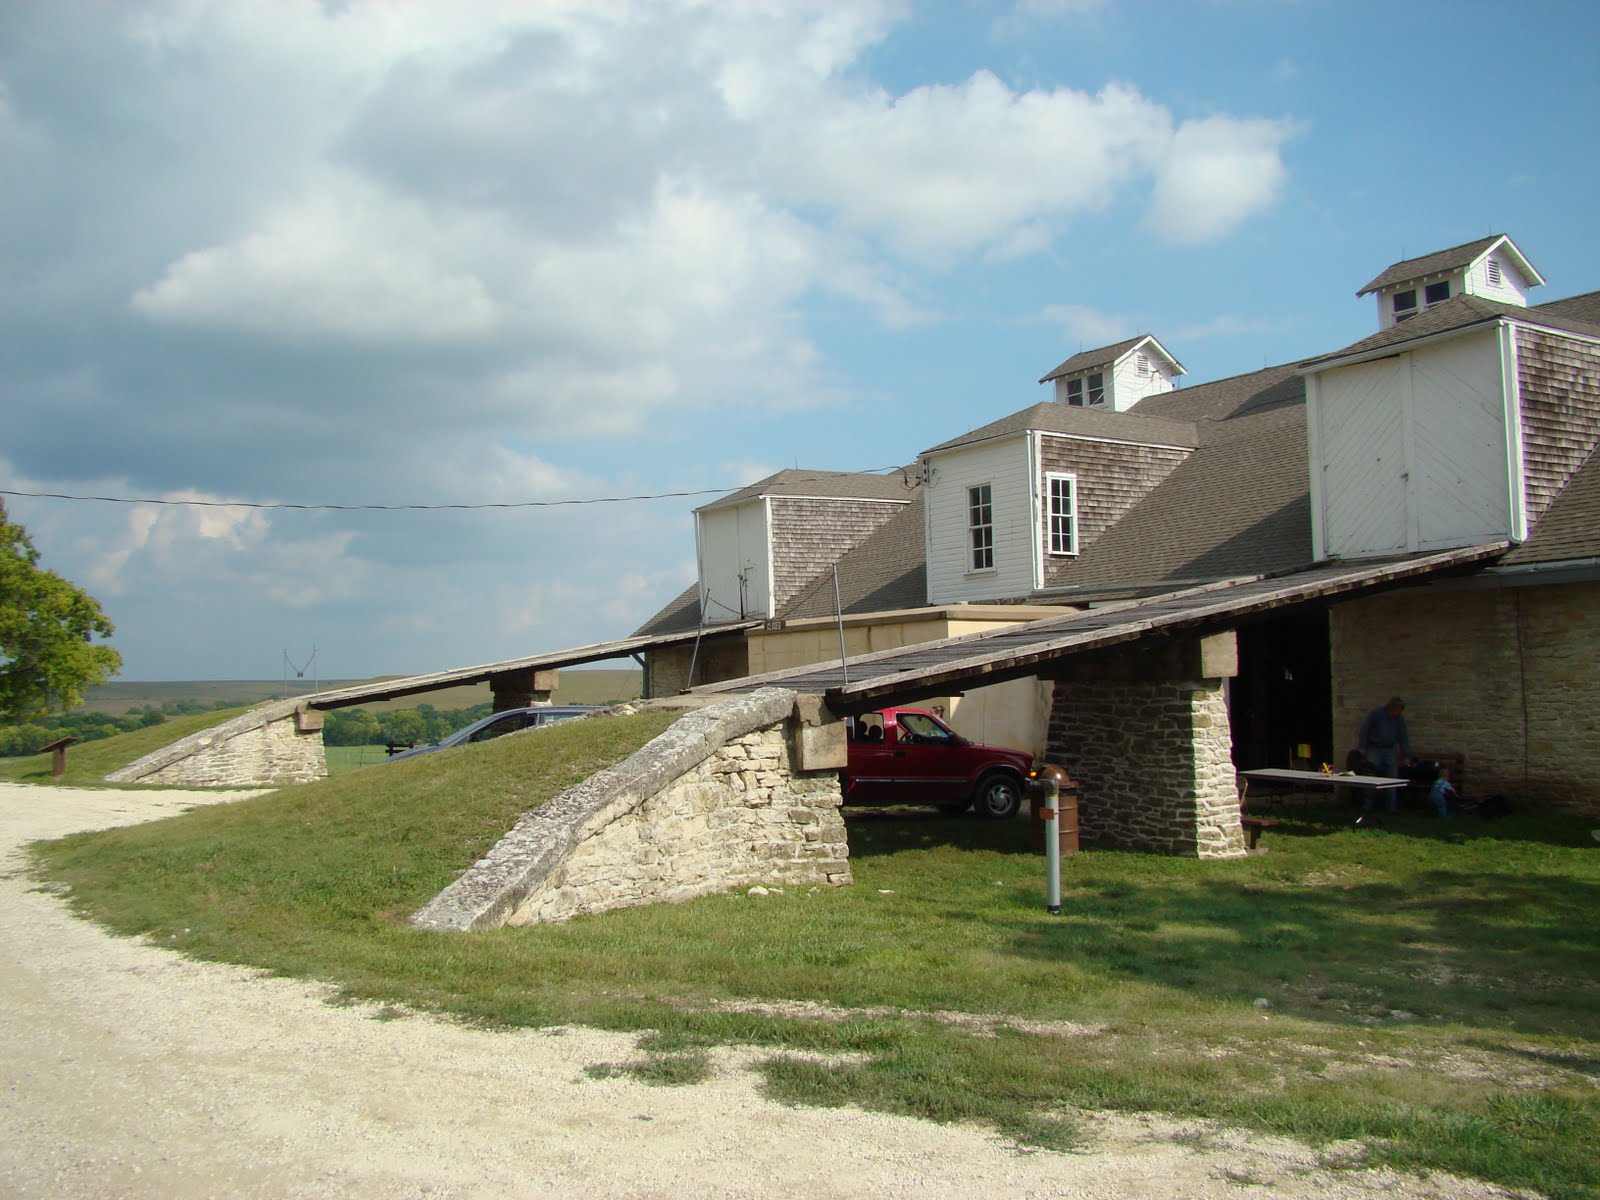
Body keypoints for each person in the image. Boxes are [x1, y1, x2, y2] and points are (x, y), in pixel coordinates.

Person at [1357, 696, 1411, 813]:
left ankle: (1391, 808)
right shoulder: (1377, 714)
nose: (1396, 714)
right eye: (1395, 711)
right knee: (1370, 777)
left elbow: (1403, 737)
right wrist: (1362, 746)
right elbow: (1364, 730)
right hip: (1375, 748)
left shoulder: (1399, 719)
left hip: (1389, 749)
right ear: (1390, 708)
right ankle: (1367, 806)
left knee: (1392, 779)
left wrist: (1406, 755)